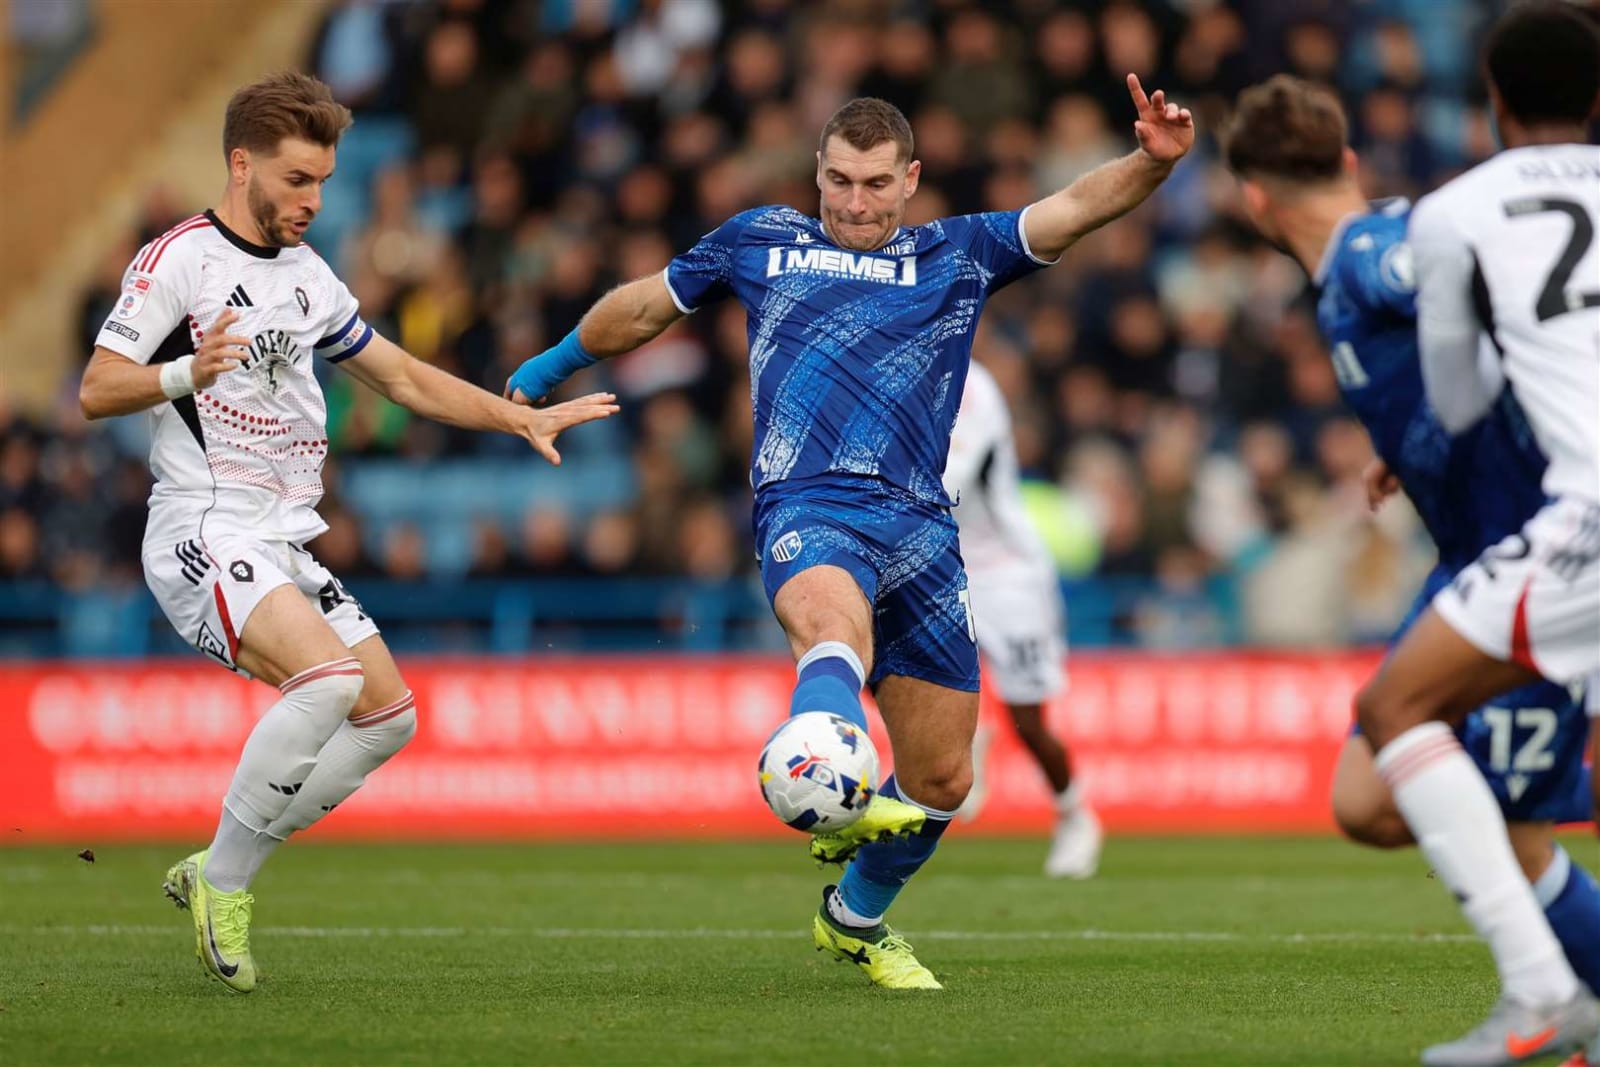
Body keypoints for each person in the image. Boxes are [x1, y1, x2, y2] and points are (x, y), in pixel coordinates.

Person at [506, 75, 1193, 988]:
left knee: (944, 779)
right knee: (832, 633)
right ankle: (818, 769)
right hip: (809, 504)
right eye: (838, 181)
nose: (855, 202)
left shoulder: (960, 253)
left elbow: (1071, 210)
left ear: (910, 179)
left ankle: (853, 916)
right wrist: (553, 362)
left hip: (921, 528)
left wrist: (1150, 162)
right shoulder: (762, 240)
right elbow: (647, 303)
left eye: (875, 184)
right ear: (816, 174)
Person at [77, 72, 618, 994]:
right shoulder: (177, 261)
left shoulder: (309, 275)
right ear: (240, 164)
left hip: (282, 535)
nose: (313, 202)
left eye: (323, 182)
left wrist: (514, 417)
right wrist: (182, 376)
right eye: (295, 180)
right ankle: (228, 882)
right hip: (203, 525)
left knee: (386, 716)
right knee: (327, 682)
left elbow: (402, 378)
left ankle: (217, 861)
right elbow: (96, 387)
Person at [1223, 71, 1600, 1067]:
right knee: (1371, 796)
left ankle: (1549, 994)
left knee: (1492, 819)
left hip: (1538, 558)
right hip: (1472, 564)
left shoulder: (1372, 252)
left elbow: (1456, 284)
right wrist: (1421, 434)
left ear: (1251, 199)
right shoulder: (1361, 264)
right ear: (1344, 161)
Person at [1355, 4, 1600, 1063]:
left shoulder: (1452, 210)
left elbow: (1451, 403)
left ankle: (1542, 989)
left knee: (1393, 706)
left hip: (1584, 514)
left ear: (1490, 99)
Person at [944, 360, 1101, 878]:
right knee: (876, 658)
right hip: (939, 561)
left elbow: (952, 479)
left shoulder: (973, 385)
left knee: (1028, 721)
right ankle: (958, 744)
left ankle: (1075, 815)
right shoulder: (889, 369)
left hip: (1006, 572)